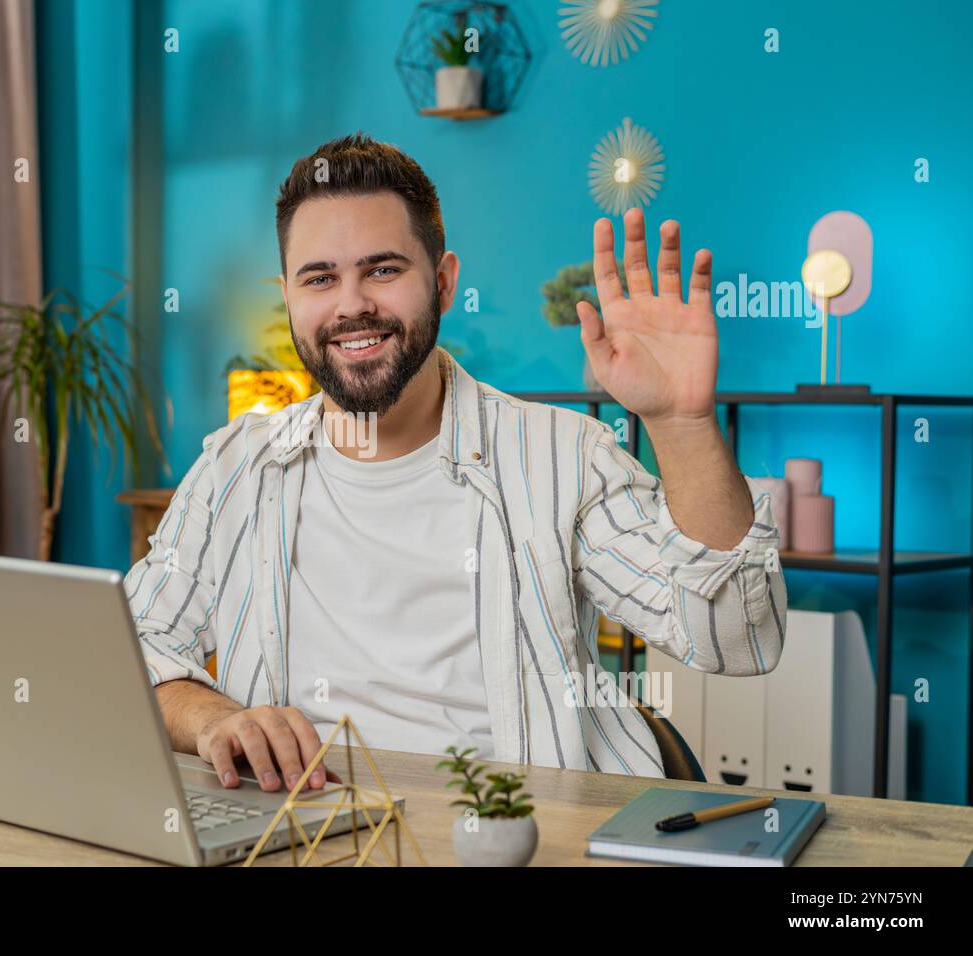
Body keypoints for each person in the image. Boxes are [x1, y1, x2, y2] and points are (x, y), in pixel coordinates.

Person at [125, 132, 786, 793]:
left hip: (518, 835)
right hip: (303, 832)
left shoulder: (561, 458)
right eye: (320, 277)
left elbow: (739, 640)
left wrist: (681, 423)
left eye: (383, 270)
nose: (352, 304)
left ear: (443, 284)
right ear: (290, 296)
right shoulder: (237, 468)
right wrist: (212, 718)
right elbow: (130, 648)